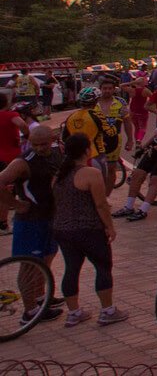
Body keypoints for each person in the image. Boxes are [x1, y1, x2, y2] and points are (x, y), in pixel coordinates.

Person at [52, 133, 127, 327]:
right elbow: (101, 204)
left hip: (63, 228)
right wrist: (110, 226)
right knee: (102, 266)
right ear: (87, 150)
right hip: (89, 228)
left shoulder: (59, 175)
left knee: (71, 268)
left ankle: (74, 312)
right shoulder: (90, 174)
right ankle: (107, 310)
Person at [0, 125, 64, 323]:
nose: (39, 148)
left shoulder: (55, 153)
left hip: (49, 217)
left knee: (46, 259)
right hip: (29, 221)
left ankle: (41, 298)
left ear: (51, 140)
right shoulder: (23, 162)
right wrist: (15, 204)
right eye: (34, 145)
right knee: (29, 265)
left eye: (43, 144)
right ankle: (29, 311)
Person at [113, 97, 157, 222]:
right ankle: (128, 206)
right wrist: (143, 147)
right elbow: (155, 135)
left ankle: (143, 209)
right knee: (137, 176)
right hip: (152, 151)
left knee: (155, 180)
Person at [90, 77, 132, 192]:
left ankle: (106, 196)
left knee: (111, 169)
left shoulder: (121, 102)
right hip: (96, 140)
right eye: (104, 88)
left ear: (114, 89)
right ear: (100, 89)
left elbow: (127, 122)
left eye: (109, 88)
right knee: (95, 168)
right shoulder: (93, 102)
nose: (107, 91)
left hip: (114, 140)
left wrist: (130, 140)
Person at [0, 95, 21, 235]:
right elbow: (23, 125)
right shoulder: (11, 115)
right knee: (6, 192)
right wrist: (27, 135)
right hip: (8, 159)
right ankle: (3, 225)